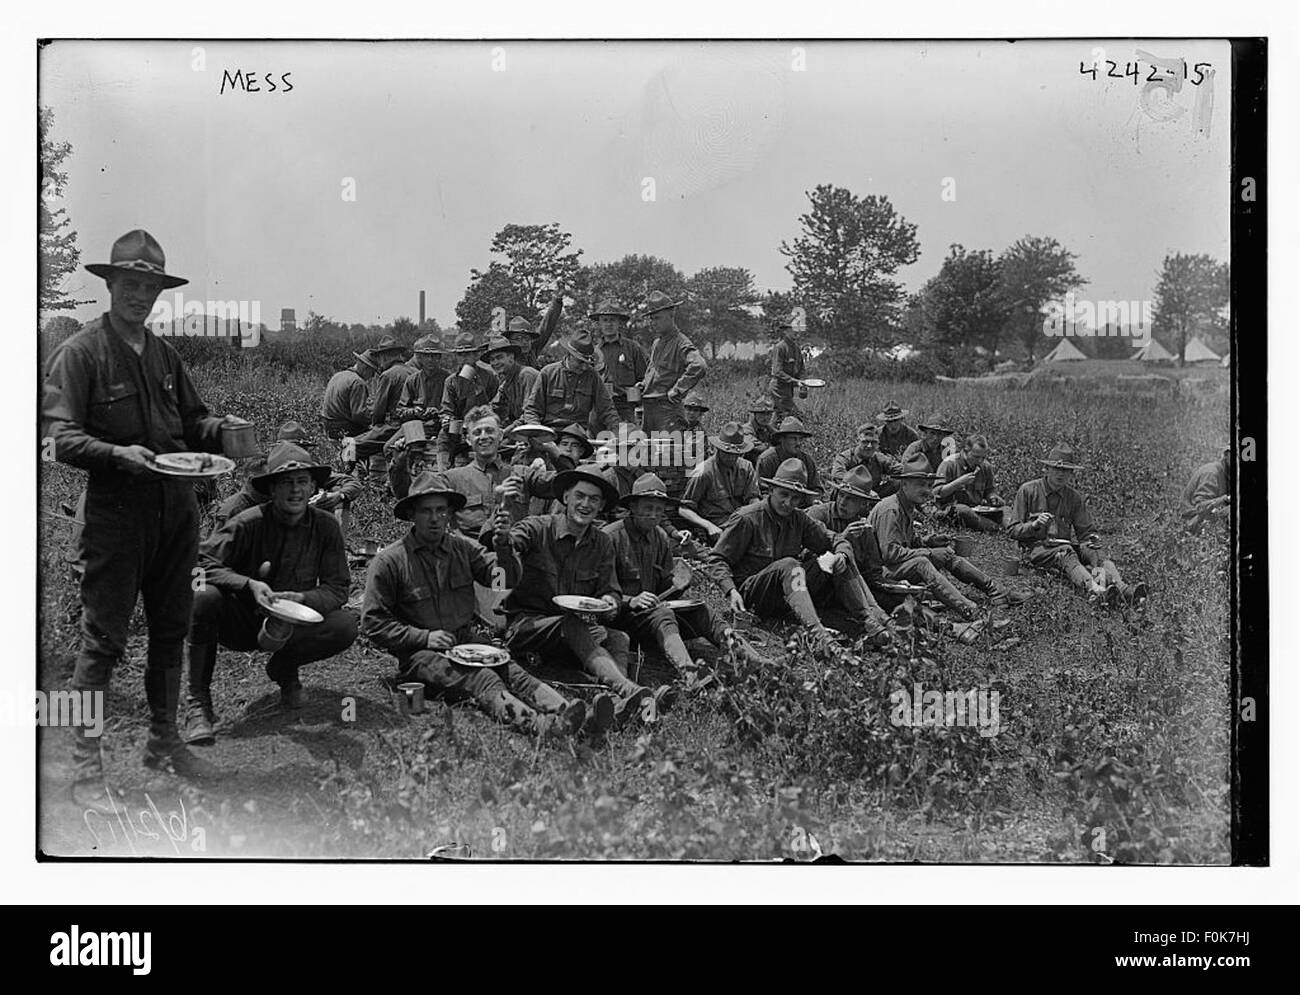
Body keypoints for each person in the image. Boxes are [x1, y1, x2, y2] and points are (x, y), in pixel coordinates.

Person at [42, 229, 233, 807]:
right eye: (130, 283)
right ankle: (83, 774)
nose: (139, 295)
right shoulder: (80, 353)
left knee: (173, 630)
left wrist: (221, 431)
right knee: (101, 644)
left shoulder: (165, 354)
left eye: (149, 286)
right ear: (110, 285)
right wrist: (115, 454)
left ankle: (164, 741)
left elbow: (194, 421)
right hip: (115, 519)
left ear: (158, 292)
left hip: (176, 514)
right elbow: (54, 437)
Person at [361, 472, 601, 739]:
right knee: (484, 679)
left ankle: (571, 714)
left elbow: (502, 580)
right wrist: (424, 637)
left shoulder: (463, 549)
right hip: (420, 655)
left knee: (512, 670)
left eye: (441, 510)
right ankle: (540, 726)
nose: (434, 518)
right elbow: (373, 622)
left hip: (465, 642)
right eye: (426, 511)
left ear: (450, 514)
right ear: (411, 515)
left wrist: (503, 547)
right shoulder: (390, 561)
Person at [184, 442, 359, 743]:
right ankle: (197, 704)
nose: (295, 490)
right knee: (202, 597)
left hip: (293, 624)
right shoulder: (248, 522)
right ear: (272, 489)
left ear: (314, 487)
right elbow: (198, 565)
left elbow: (338, 587)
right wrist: (247, 584)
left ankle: (284, 668)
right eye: (286, 483)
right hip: (243, 621)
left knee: (344, 625)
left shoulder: (326, 526)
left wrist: (303, 599)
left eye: (302, 482)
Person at [493, 464, 661, 724]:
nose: (586, 504)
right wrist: (502, 538)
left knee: (619, 637)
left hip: (573, 631)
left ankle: (617, 703)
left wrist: (610, 603)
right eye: (580, 496)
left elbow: (610, 590)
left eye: (594, 499)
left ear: (601, 505)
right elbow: (507, 548)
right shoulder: (538, 528)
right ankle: (628, 690)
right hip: (526, 626)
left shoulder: (602, 543)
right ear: (565, 498)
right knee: (572, 624)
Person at [706, 458, 890, 651]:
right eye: (784, 495)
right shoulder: (747, 518)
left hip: (787, 594)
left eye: (795, 499)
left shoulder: (799, 519)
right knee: (789, 564)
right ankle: (820, 636)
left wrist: (841, 556)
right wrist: (731, 590)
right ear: (771, 491)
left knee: (837, 557)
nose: (788, 503)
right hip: (754, 594)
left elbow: (833, 539)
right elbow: (717, 559)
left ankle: (870, 622)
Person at [605, 474, 769, 673]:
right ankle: (690, 675)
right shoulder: (610, 537)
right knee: (663, 614)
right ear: (632, 507)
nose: (654, 515)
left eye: (659, 510)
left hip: (652, 620)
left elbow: (664, 588)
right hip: (620, 622)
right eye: (648, 508)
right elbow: (596, 593)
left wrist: (680, 584)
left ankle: (754, 659)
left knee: (702, 610)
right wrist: (630, 601)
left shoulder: (660, 537)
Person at [868, 453, 1028, 619]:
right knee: (921, 563)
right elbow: (890, 553)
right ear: (904, 484)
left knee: (946, 553)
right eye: (921, 485)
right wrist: (929, 553)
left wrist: (929, 542)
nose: (927, 491)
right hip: (878, 575)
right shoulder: (891, 510)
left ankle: (996, 590)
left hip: (892, 567)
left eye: (930, 485)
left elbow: (906, 543)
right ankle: (970, 610)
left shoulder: (906, 505)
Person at [1009, 443, 1147, 604]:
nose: (1061, 474)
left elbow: (1086, 532)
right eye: (1056, 469)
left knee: (1093, 552)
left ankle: (1122, 590)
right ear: (1047, 469)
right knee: (1066, 553)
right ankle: (1095, 591)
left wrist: (1092, 540)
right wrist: (1033, 526)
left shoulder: (1073, 497)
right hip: (1036, 550)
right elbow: (1012, 530)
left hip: (1063, 547)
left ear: (1071, 474)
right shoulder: (1028, 490)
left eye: (1066, 470)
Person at [215, 421, 361, 529]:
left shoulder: (309, 469)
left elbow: (352, 483)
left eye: (302, 481)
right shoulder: (264, 470)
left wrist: (337, 496)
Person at [805, 467, 895, 640]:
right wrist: (843, 539)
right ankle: (875, 616)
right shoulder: (819, 514)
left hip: (846, 590)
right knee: (841, 559)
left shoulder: (862, 528)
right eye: (841, 495)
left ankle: (880, 617)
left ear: (863, 504)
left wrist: (894, 582)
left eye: (851, 499)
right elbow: (804, 555)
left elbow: (873, 572)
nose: (843, 502)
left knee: (897, 599)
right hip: (815, 584)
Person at [520, 327, 619, 436]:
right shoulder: (548, 373)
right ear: (569, 355)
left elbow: (607, 409)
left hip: (578, 434)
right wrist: (538, 432)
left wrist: (618, 434)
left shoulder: (592, 376)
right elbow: (532, 409)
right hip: (550, 432)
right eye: (580, 362)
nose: (584, 367)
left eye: (587, 363)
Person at [637, 290, 708, 433]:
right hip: (649, 409)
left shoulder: (681, 342)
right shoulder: (657, 343)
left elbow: (699, 365)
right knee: (648, 452)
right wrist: (643, 384)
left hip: (667, 411)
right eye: (651, 319)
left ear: (671, 316)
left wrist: (677, 390)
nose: (653, 323)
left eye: (657, 318)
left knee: (668, 454)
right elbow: (654, 370)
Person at [679, 422, 761, 538]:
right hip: (718, 527)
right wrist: (709, 526)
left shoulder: (746, 467)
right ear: (717, 449)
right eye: (727, 453)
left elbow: (753, 498)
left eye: (736, 454)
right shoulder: (703, 471)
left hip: (742, 522)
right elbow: (684, 509)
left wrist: (757, 515)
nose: (731, 458)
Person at [348, 336, 412, 472]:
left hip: (394, 426)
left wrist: (374, 426)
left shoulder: (388, 375)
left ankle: (352, 482)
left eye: (380, 358)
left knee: (350, 446)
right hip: (412, 426)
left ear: (385, 356)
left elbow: (379, 411)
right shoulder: (413, 371)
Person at [437, 330, 500, 467]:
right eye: (460, 355)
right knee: (443, 437)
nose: (464, 358)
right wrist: (447, 419)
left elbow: (496, 403)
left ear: (476, 355)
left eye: (468, 354)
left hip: (482, 422)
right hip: (459, 427)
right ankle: (443, 473)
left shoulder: (489, 377)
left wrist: (478, 389)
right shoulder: (451, 381)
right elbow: (446, 408)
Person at [590, 299, 649, 423]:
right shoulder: (593, 352)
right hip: (599, 407)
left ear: (619, 323)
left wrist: (640, 385)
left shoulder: (633, 348)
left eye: (612, 320)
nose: (609, 324)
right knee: (599, 440)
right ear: (599, 323)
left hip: (625, 407)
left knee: (625, 440)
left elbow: (644, 376)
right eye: (605, 320)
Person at [933, 434, 1003, 534]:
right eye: (976, 457)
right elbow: (937, 493)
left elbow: (989, 490)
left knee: (1005, 510)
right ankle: (993, 527)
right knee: (963, 511)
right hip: (954, 509)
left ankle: (1009, 527)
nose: (979, 461)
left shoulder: (985, 466)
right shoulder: (949, 463)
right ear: (965, 452)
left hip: (978, 510)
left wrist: (992, 497)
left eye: (983, 457)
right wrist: (958, 482)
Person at [755, 416, 822, 507]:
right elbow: (761, 491)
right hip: (776, 507)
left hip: (803, 508)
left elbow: (816, 488)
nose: (798, 443)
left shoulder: (807, 460)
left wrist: (814, 501)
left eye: (800, 439)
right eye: (793, 438)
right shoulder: (767, 459)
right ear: (782, 439)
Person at [320, 350, 380, 442]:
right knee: (379, 435)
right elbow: (358, 415)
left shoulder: (338, 375)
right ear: (365, 368)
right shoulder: (358, 382)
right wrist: (375, 419)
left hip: (328, 425)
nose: (372, 377)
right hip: (344, 428)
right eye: (372, 372)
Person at [484, 334, 540, 431]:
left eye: (499, 357)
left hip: (539, 428)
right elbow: (494, 407)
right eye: (492, 359)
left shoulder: (526, 375)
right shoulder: (506, 382)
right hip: (521, 427)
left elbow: (530, 413)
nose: (495, 363)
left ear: (511, 357)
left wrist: (507, 431)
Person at [830, 423, 903, 494]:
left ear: (878, 444)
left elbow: (900, 469)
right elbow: (838, 476)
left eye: (874, 442)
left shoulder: (879, 458)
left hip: (873, 496)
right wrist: (863, 491)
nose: (869, 446)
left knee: (898, 483)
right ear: (857, 441)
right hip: (851, 495)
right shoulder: (845, 458)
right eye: (865, 442)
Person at [1180, 446, 1231, 534]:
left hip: (1209, 520)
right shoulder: (1211, 473)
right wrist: (1226, 499)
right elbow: (1200, 507)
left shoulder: (1229, 473)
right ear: (1226, 455)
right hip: (1193, 523)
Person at [768, 310, 808, 416]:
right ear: (786, 331)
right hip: (778, 390)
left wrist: (803, 384)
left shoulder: (796, 349)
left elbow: (801, 369)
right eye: (794, 328)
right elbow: (777, 372)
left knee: (777, 418)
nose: (797, 331)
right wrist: (795, 381)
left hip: (788, 391)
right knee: (796, 416)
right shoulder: (780, 347)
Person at [511, 293, 563, 370]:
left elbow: (546, 328)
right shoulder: (505, 360)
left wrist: (557, 301)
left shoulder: (532, 351)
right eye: (519, 338)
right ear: (510, 341)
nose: (525, 342)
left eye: (527, 338)